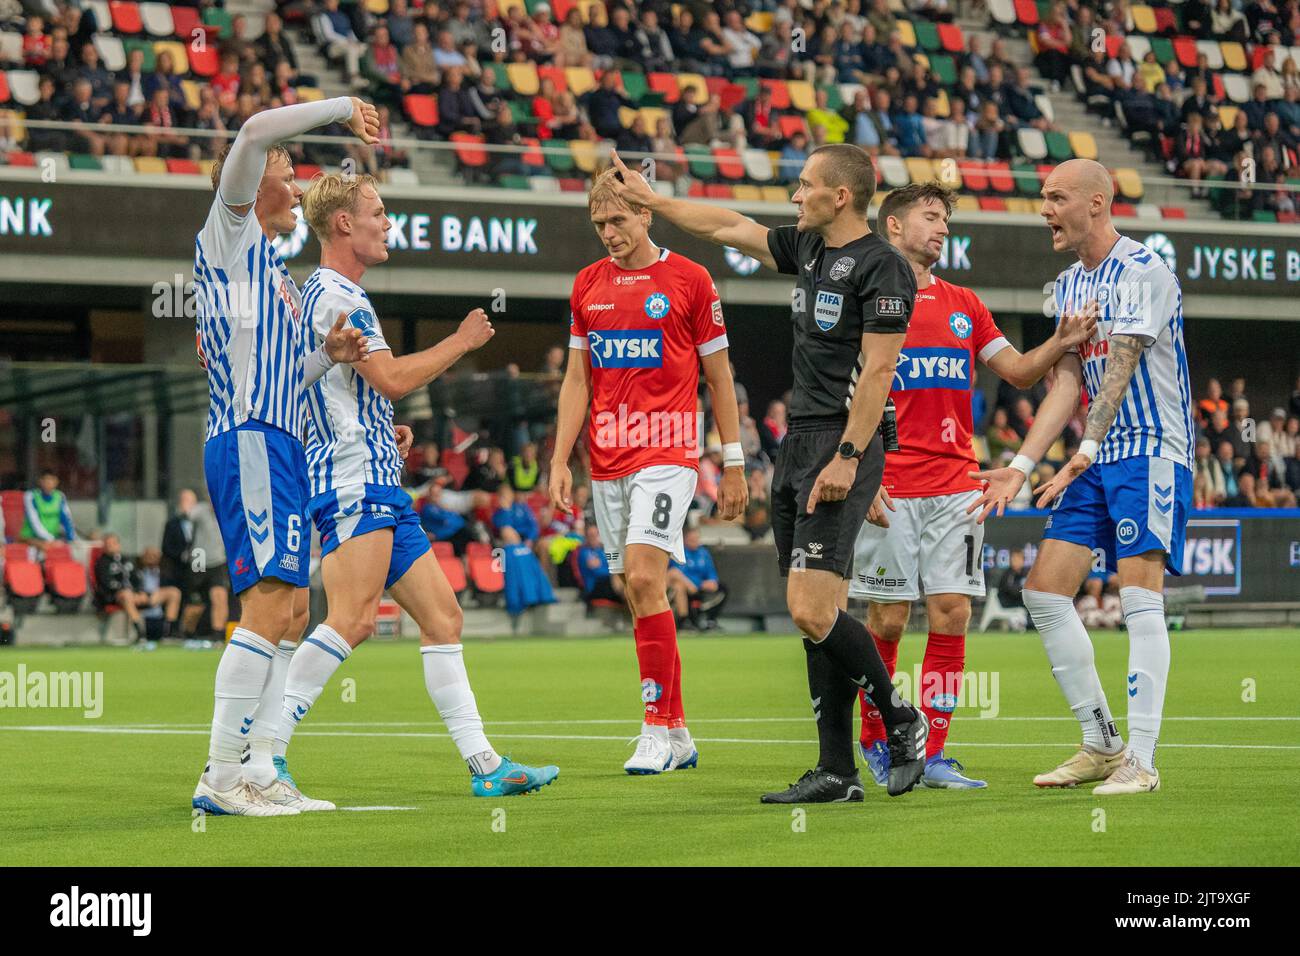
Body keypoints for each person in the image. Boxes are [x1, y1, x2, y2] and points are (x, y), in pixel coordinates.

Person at [606, 143, 930, 802]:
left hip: (839, 446)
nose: (793, 195)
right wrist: (656, 203)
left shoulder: (882, 267)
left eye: (804, 185)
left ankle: (900, 718)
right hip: (797, 444)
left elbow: (878, 371)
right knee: (821, 616)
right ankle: (837, 771)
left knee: (808, 609)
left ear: (840, 196)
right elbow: (729, 227)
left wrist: (849, 459)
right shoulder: (808, 250)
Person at [287, 172, 559, 800]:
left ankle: (485, 765)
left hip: (377, 475)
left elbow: (345, 392)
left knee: (444, 617)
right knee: (350, 621)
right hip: (354, 480)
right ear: (343, 225)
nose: (388, 223)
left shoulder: (327, 292)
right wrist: (461, 342)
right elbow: (390, 378)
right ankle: (263, 754)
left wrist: (387, 431)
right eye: (378, 212)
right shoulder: (337, 295)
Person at [851, 182, 1097, 790]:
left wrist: (1060, 343)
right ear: (893, 227)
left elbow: (1015, 370)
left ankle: (935, 753)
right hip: (890, 483)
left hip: (957, 484)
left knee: (952, 612)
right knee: (885, 620)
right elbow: (841, 393)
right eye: (930, 218)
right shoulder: (867, 300)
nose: (942, 229)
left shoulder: (964, 303)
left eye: (945, 220)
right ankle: (877, 737)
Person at [971, 159, 1193, 795]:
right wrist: (1019, 467)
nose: (1044, 209)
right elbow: (1067, 382)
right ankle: (1100, 741)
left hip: (1149, 450)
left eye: (1054, 197)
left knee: (1140, 598)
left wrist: (1087, 448)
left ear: (1097, 203)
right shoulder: (1068, 285)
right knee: (1044, 592)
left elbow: (1120, 366)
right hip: (1092, 456)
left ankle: (1142, 762)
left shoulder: (1144, 270)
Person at [190, 96, 379, 818]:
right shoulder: (229, 230)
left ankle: (259, 769)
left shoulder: (272, 270)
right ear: (246, 182)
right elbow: (250, 129)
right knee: (269, 606)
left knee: (294, 609)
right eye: (287, 169)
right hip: (251, 438)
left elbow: (280, 370)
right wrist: (340, 110)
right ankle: (221, 774)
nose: (296, 184)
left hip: (281, 440)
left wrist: (324, 356)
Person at [550, 165, 748, 776]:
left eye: (618, 219)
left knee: (641, 579)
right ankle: (680, 732)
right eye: (599, 222)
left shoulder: (691, 279)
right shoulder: (587, 285)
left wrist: (733, 460)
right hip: (607, 460)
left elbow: (718, 376)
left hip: (668, 452)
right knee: (638, 593)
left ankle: (654, 729)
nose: (608, 231)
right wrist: (561, 458)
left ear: (645, 213)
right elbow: (578, 378)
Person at [94, 533, 181, 643]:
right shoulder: (102, 563)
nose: (110, 546)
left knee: (174, 592)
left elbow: (138, 578)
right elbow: (107, 584)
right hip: (115, 597)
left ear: (118, 544)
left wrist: (141, 592)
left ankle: (169, 633)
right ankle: (140, 633)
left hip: (136, 594)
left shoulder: (127, 560)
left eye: (113, 543)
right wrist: (129, 591)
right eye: (108, 544)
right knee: (126, 595)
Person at [668, 526, 727, 630]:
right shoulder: (677, 552)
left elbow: (710, 571)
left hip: (700, 585)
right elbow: (676, 573)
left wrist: (712, 581)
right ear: (684, 539)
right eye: (691, 539)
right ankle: (684, 621)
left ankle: (710, 620)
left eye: (696, 539)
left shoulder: (703, 553)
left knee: (722, 588)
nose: (694, 542)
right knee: (679, 586)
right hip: (685, 586)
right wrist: (696, 584)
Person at [21, 469, 77, 554]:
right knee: (46, 548)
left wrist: (72, 538)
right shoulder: (30, 496)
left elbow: (67, 519)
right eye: (46, 480)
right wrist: (52, 540)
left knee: (72, 549)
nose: (49, 483)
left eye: (52, 480)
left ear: (56, 482)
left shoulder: (60, 496)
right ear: (40, 481)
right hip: (32, 537)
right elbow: (35, 523)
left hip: (52, 538)